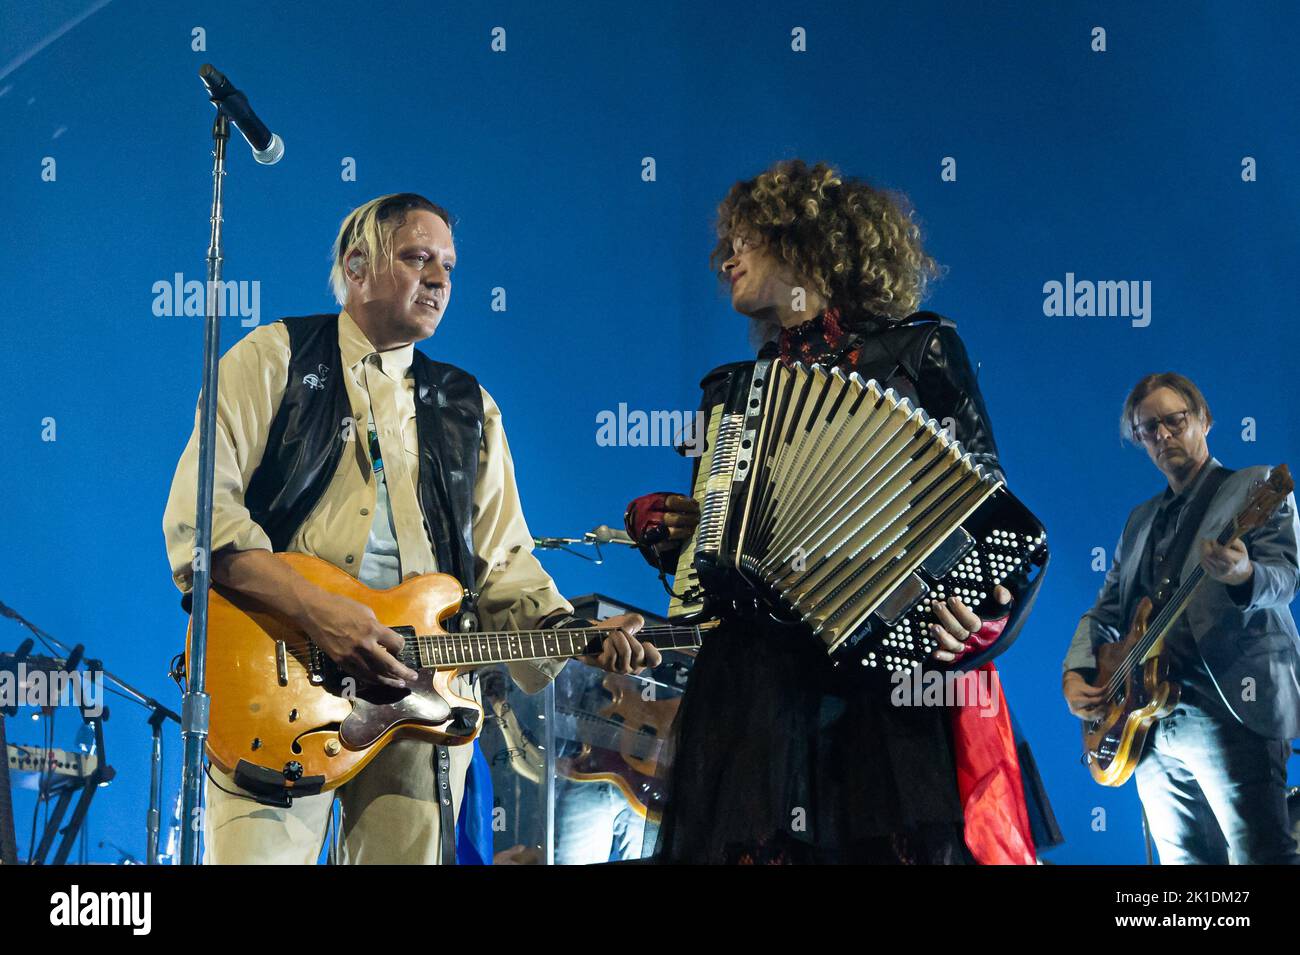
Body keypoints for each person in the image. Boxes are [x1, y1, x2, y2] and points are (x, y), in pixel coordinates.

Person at [163, 193, 659, 864]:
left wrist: (577, 634)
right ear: (356, 265)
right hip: (273, 685)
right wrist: (320, 613)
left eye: (448, 266)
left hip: (423, 699)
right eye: (417, 258)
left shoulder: (467, 406)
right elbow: (203, 520)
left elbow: (505, 564)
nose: (438, 279)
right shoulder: (274, 357)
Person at [625, 160, 1040, 864]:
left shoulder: (918, 350)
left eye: (745, 240)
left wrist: (977, 616)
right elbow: (726, 548)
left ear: (803, 241)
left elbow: (988, 521)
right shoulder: (733, 391)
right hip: (756, 685)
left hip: (882, 688)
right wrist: (679, 533)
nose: (726, 258)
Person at [1063, 372, 1300, 864]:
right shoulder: (1140, 520)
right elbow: (1106, 609)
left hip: (1229, 707)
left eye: (1175, 420)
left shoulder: (1253, 487)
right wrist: (1076, 671)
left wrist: (1244, 574)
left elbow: (1286, 578)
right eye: (1149, 429)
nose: (1164, 435)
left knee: (1260, 856)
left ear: (1204, 419)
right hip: (1148, 721)